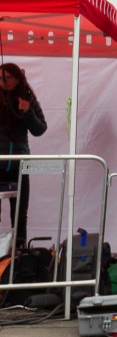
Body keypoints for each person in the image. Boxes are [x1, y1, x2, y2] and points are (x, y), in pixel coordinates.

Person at [0, 64, 47, 248]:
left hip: (19, 166)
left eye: (7, 78)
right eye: (0, 78)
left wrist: (27, 112)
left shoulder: (28, 98)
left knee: (19, 215)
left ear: (18, 79)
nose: (3, 82)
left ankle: (19, 253)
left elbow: (40, 129)